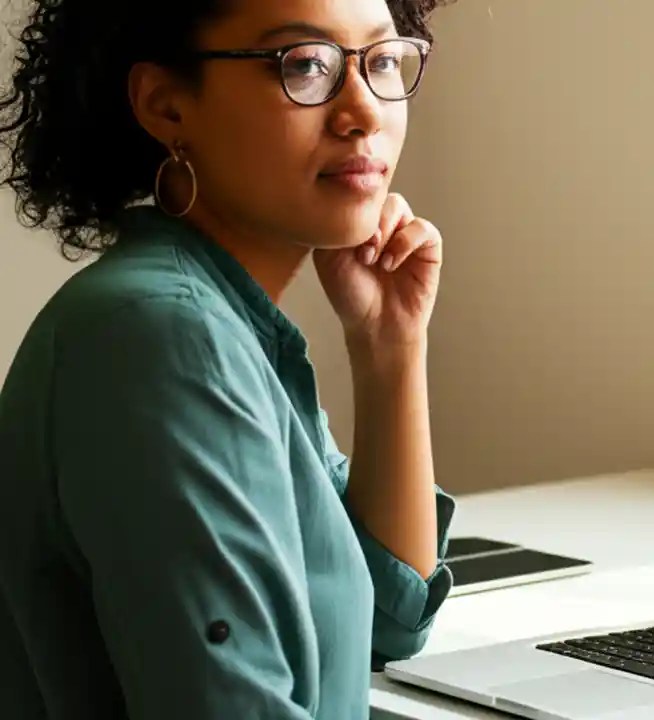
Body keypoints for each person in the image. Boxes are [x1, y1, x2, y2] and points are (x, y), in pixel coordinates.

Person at [0, 0, 456, 717]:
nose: (363, 112)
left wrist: (390, 348)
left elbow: (388, 620)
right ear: (166, 106)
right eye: (305, 64)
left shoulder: (219, 319)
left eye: (383, 61)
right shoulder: (164, 339)